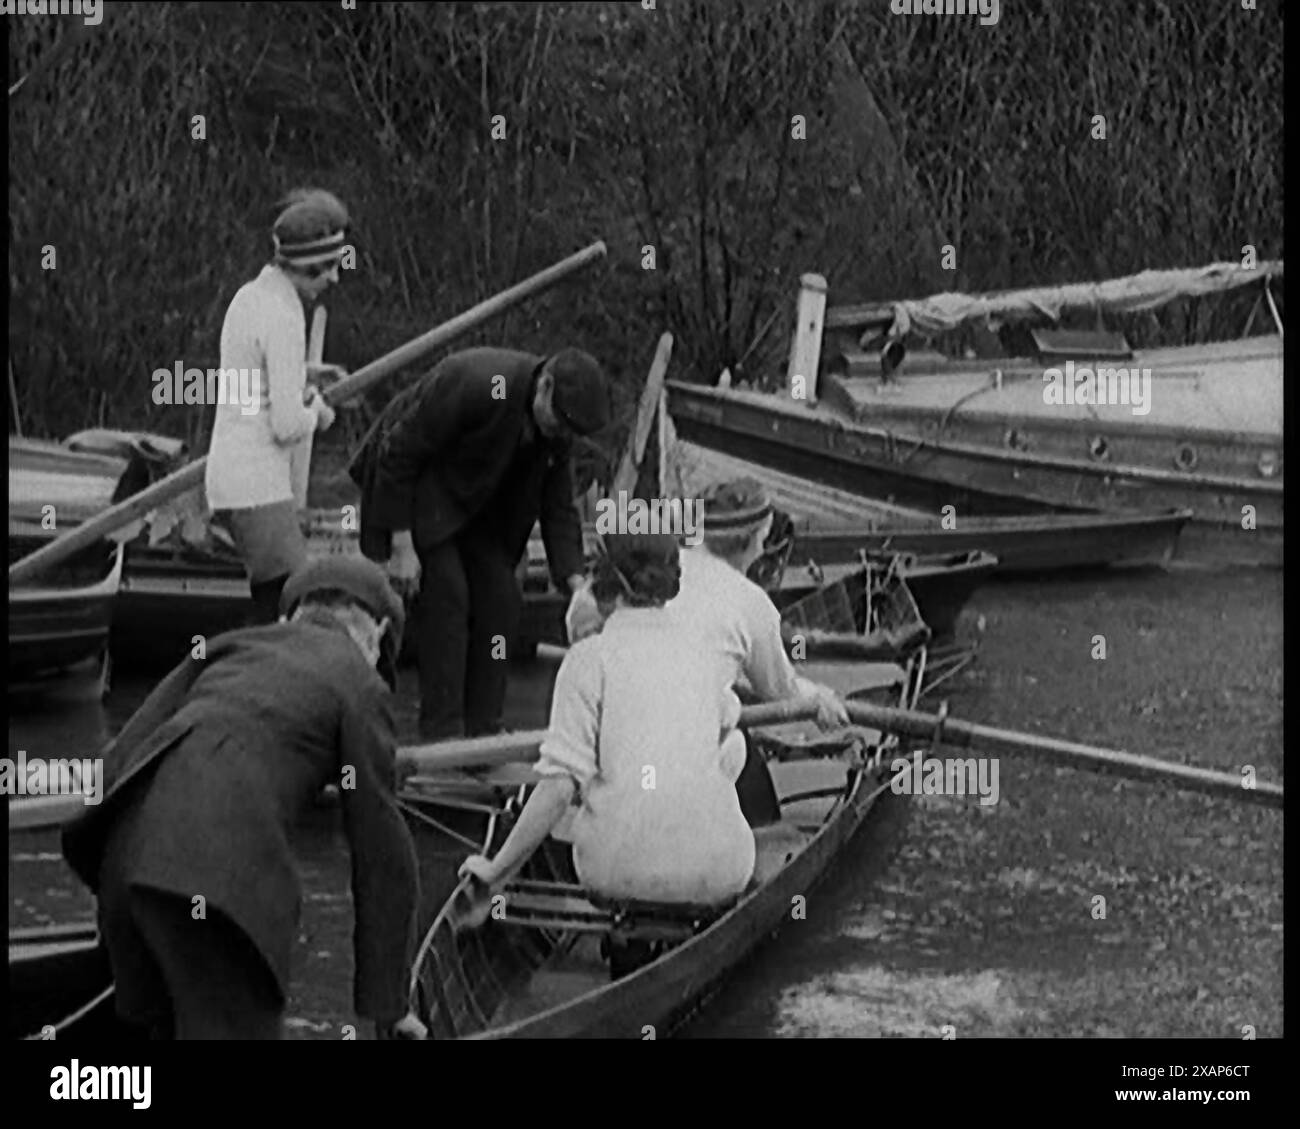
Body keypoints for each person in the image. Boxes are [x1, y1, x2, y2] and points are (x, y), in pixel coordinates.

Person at [61, 556, 426, 1041]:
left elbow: (118, 764)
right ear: (377, 635)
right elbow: (381, 850)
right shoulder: (359, 680)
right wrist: (390, 1004)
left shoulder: (226, 646)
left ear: (285, 619)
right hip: (215, 883)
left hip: (125, 867)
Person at [458, 533, 755, 970]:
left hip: (616, 872)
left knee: (585, 782)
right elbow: (726, 723)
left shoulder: (586, 660)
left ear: (602, 587)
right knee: (735, 746)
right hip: (722, 869)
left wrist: (496, 872)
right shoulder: (708, 655)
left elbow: (558, 788)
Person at [349, 346, 609, 740]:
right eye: (560, 424)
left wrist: (576, 585)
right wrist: (401, 544)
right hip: (413, 489)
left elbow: (559, 511)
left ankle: (483, 727)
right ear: (545, 385)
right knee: (447, 598)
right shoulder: (486, 384)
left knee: (502, 600)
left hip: (471, 507)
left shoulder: (556, 431)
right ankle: (443, 733)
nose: (561, 435)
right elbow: (399, 451)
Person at [204, 187, 346, 624]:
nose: (334, 280)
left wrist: (305, 375)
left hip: (228, 478)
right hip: (258, 488)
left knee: (276, 604)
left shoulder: (250, 297)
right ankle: (246, 682)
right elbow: (286, 425)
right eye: (330, 269)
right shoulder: (286, 317)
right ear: (307, 264)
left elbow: (250, 388)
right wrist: (320, 413)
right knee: (287, 608)